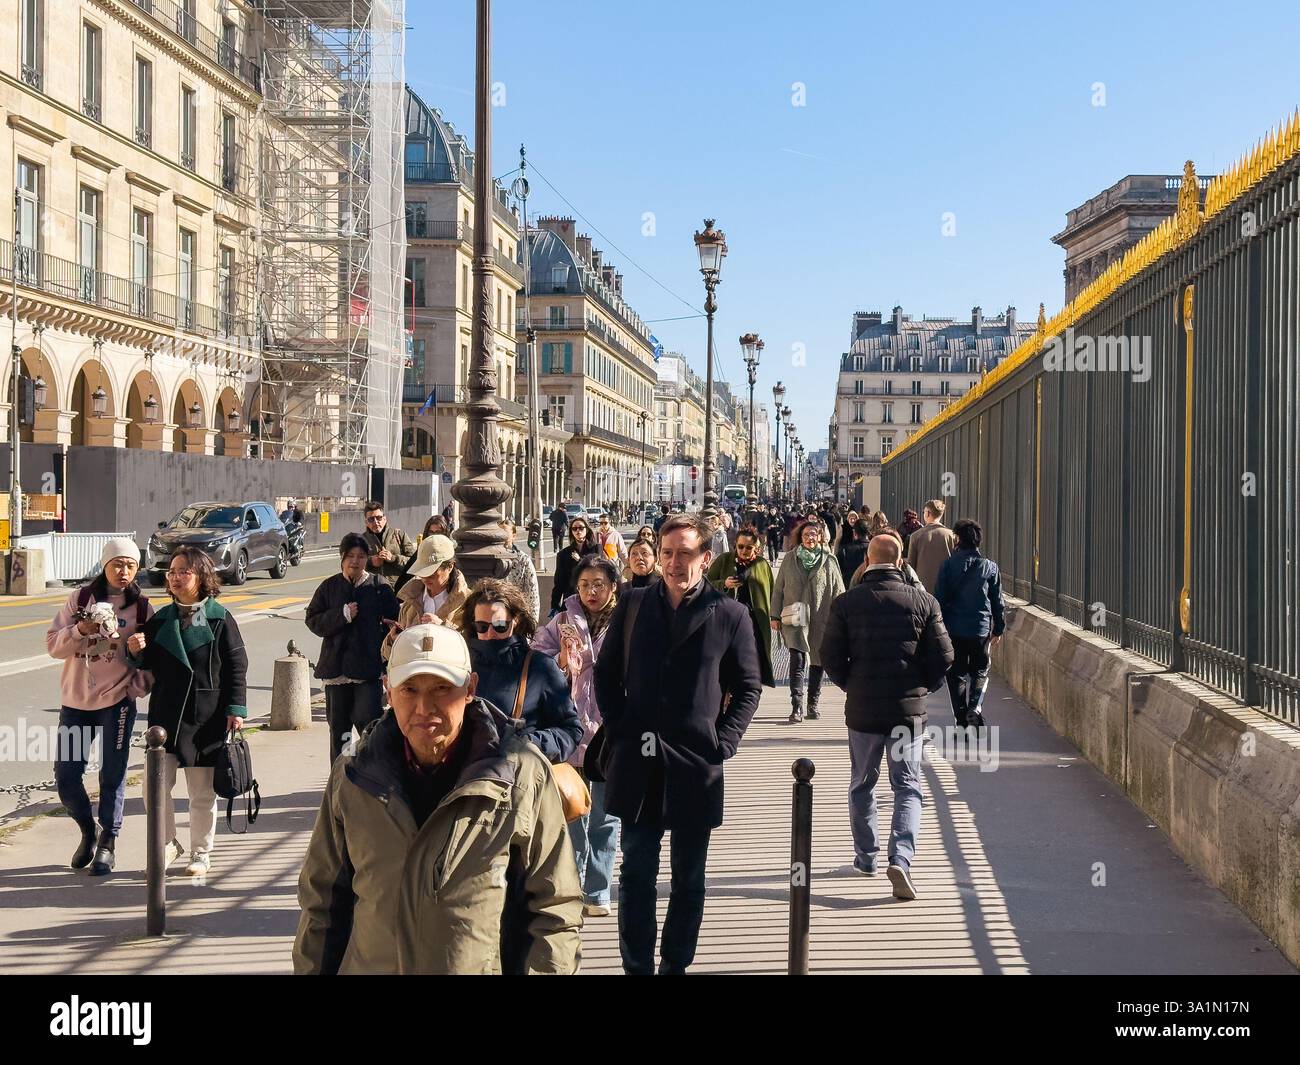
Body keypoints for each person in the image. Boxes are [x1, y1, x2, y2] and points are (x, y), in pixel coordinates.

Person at [294, 623, 582, 974]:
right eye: (409, 689)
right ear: (388, 690)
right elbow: (322, 903)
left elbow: (554, 907)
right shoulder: (354, 776)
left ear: (470, 688)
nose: (423, 708)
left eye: (442, 689)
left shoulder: (518, 774)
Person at [593, 512, 762, 975]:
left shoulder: (730, 614)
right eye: (667, 553)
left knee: (689, 880)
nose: (673, 562)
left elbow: (749, 686)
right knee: (636, 877)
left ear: (705, 558)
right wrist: (621, 725)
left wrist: (723, 742)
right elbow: (606, 674)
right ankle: (636, 966)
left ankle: (674, 965)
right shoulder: (631, 604)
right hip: (638, 759)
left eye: (684, 553)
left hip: (694, 762)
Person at [819, 534, 954, 900]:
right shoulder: (925, 602)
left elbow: (829, 656)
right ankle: (902, 859)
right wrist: (921, 686)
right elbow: (944, 656)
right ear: (900, 562)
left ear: (867, 559)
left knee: (862, 782)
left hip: (862, 710)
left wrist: (852, 684)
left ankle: (866, 858)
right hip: (906, 713)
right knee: (907, 786)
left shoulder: (846, 603)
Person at [129, 547, 247, 877]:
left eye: (184, 571)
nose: (176, 577)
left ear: (202, 576)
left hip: (206, 715)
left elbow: (237, 665)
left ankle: (201, 853)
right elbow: (148, 663)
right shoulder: (162, 619)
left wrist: (236, 708)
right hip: (165, 718)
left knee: (201, 792)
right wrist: (136, 651)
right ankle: (167, 844)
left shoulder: (219, 617)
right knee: (153, 787)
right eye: (172, 572)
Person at [46, 538, 154, 875]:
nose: (123, 571)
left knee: (113, 775)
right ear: (105, 565)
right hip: (76, 703)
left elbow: (153, 661)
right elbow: (53, 646)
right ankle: (87, 832)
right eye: (117, 564)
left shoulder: (141, 608)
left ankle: (109, 841)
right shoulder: (80, 599)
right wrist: (79, 629)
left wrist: (134, 687)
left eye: (131, 565)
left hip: (116, 704)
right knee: (66, 777)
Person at [533, 555, 621, 917]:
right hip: (571, 727)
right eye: (585, 585)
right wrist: (562, 664)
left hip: (611, 728)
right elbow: (537, 656)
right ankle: (572, 885)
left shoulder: (627, 619)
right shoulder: (564, 621)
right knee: (572, 810)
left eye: (599, 584)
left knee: (604, 814)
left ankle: (597, 891)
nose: (591, 591)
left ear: (613, 586)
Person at [459, 579, 582, 764]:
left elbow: (571, 730)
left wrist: (527, 744)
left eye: (500, 625)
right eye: (482, 627)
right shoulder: (460, 664)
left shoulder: (540, 667)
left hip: (517, 779)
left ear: (515, 621)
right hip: (462, 776)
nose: (490, 633)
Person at [306, 533, 399, 761]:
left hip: (368, 670)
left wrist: (390, 631)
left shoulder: (379, 586)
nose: (355, 561)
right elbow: (313, 621)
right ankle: (340, 782)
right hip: (336, 670)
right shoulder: (329, 587)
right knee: (339, 732)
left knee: (369, 727)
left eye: (360, 556)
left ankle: (370, 778)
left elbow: (395, 621)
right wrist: (341, 615)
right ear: (342, 558)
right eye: (350, 556)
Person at [770, 517, 845, 723]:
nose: (810, 537)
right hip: (796, 615)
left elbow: (839, 591)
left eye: (813, 534)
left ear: (820, 537)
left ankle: (813, 703)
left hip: (821, 617)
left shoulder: (830, 561)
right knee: (798, 658)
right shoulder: (790, 558)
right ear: (800, 538)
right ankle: (797, 705)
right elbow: (778, 589)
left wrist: (840, 619)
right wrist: (774, 615)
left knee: (817, 661)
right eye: (806, 534)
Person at [933, 519, 1005, 730]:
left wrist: (938, 628)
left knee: (955, 674)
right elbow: (998, 601)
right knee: (980, 670)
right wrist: (998, 627)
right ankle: (975, 706)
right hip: (980, 629)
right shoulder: (990, 567)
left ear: (957, 539)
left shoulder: (947, 565)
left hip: (953, 629)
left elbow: (939, 598)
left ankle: (961, 719)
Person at [706, 525, 776, 688]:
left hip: (754, 622)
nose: (744, 550)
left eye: (749, 547)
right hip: (726, 621)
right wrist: (724, 584)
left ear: (756, 548)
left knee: (752, 663)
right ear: (735, 545)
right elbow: (705, 585)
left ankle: (748, 695)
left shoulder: (761, 565)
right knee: (727, 662)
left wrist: (774, 616)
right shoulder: (724, 560)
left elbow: (772, 591)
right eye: (741, 546)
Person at [384, 534, 469, 658]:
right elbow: (388, 655)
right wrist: (394, 640)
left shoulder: (467, 602)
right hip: (414, 674)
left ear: (450, 567)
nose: (425, 578)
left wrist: (442, 628)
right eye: (422, 572)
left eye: (432, 573)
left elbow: (471, 651)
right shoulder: (410, 600)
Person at [361, 500, 416, 589]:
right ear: (366, 522)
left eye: (379, 517)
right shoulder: (361, 540)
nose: (375, 522)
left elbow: (414, 563)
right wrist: (370, 562)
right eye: (371, 519)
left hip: (398, 590)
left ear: (385, 519)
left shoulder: (399, 535)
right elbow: (352, 565)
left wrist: (394, 558)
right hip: (372, 591)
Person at [906, 499, 957, 592]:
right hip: (946, 589)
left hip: (922, 590)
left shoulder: (916, 536)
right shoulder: (952, 535)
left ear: (928, 513)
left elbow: (911, 567)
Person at [551, 516, 597, 613]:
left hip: (592, 598)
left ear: (587, 530)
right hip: (571, 600)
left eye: (581, 528)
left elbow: (597, 571)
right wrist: (554, 605)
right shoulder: (564, 554)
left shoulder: (596, 549)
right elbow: (559, 582)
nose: (578, 531)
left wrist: (580, 560)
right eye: (574, 529)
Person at [499, 518, 540, 622]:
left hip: (516, 618)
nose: (502, 536)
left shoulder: (523, 560)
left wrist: (532, 623)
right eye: (499, 532)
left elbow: (532, 595)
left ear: (513, 536)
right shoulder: (490, 558)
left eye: (505, 532)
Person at [836, 518, 870, 588]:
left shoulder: (844, 550)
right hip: (869, 589)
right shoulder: (874, 549)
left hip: (848, 588)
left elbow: (837, 571)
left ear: (854, 533)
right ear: (869, 533)